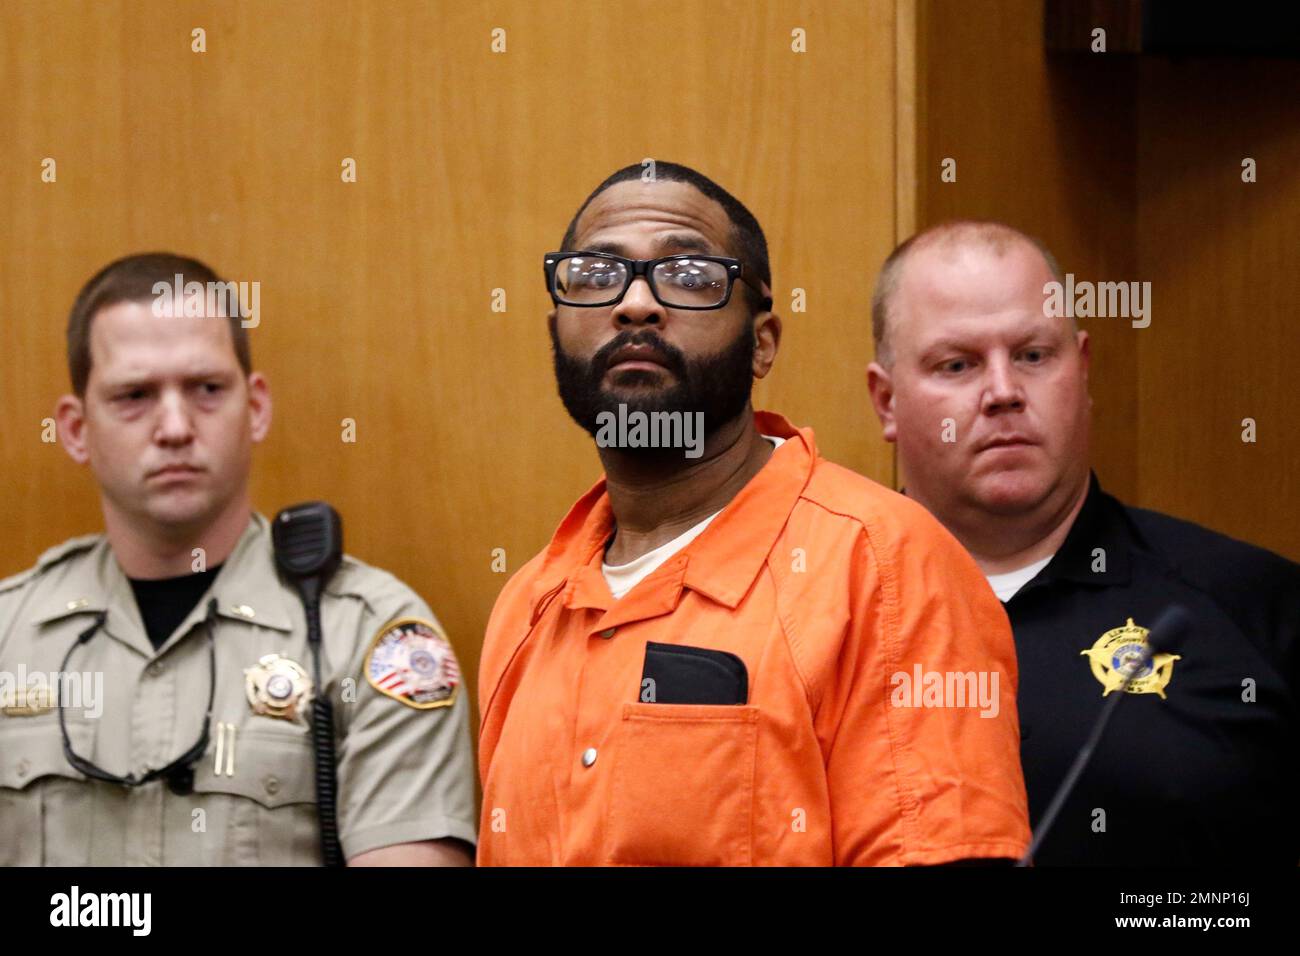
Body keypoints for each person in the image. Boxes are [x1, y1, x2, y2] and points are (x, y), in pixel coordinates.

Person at [476, 162, 1030, 866]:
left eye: (688, 275)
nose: (636, 305)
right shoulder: (529, 604)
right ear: (556, 329)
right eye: (595, 274)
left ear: (762, 342)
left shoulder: (883, 563)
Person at [0, 253, 477, 866]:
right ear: (74, 429)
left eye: (205, 389)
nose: (174, 427)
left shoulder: (368, 637)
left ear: (254, 407)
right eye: (134, 395)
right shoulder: (10, 636)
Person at [866, 220, 1300, 864]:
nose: (1004, 392)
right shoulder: (814, 611)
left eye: (1034, 356)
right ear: (887, 402)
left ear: (1084, 369)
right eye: (956, 364)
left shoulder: (1253, 605)